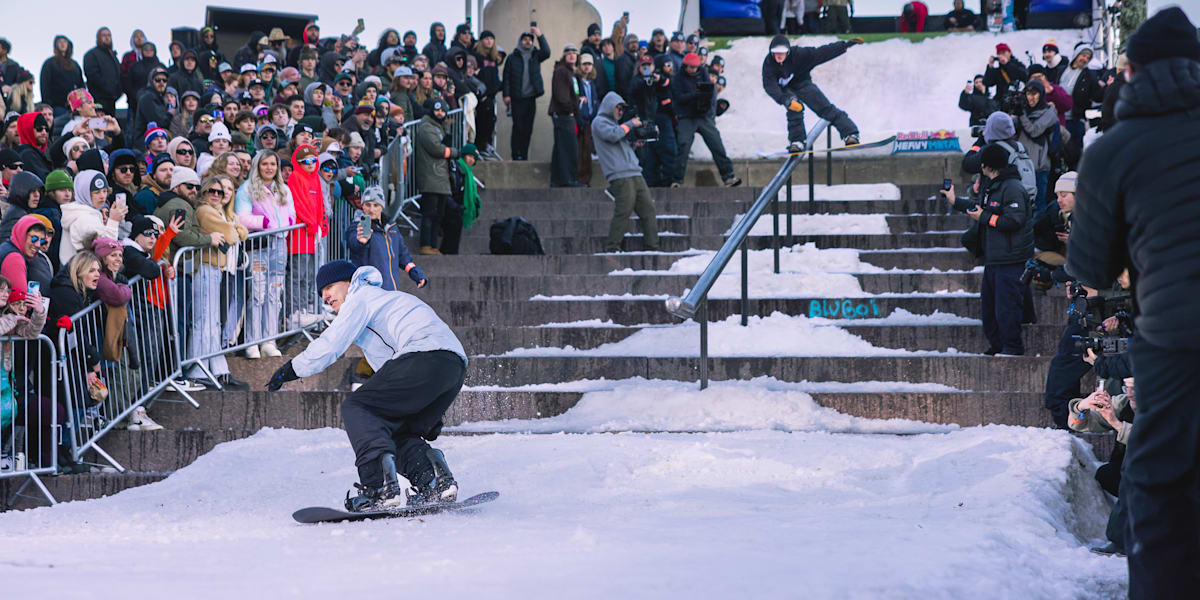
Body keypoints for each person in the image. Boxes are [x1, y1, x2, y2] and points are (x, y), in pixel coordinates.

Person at [1066, 9, 1200, 598]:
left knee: (1160, 479)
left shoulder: (1114, 148)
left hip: (1172, 337)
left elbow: (1090, 269)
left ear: (1131, 71)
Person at [267, 259, 467, 512]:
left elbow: (331, 344)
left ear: (349, 282)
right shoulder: (383, 301)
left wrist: (291, 369)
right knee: (392, 429)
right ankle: (434, 480)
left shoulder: (360, 298)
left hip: (423, 355)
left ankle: (378, 487)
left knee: (358, 408)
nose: (325, 296)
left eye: (329, 287)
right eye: (321, 293)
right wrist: (425, 402)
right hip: (451, 366)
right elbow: (391, 367)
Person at [948, 144, 1033, 355]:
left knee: (1007, 307)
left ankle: (1012, 347)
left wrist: (984, 217)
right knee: (989, 308)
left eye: (982, 163)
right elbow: (981, 209)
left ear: (988, 166)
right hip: (994, 258)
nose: (979, 166)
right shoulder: (993, 185)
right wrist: (955, 201)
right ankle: (997, 346)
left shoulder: (1012, 187)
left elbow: (1014, 220)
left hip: (1011, 259)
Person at [762, 36, 863, 154]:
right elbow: (770, 85)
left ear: (788, 52)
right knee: (794, 107)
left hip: (803, 84)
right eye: (776, 53)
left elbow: (821, 53)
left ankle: (850, 134)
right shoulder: (769, 63)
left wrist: (845, 45)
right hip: (786, 91)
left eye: (782, 53)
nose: (779, 56)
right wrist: (784, 100)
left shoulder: (799, 54)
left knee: (825, 108)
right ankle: (797, 142)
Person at [593, 92, 659, 253]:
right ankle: (612, 247)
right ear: (609, 106)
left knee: (648, 209)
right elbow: (613, 135)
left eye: (622, 109)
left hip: (634, 172)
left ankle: (653, 247)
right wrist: (630, 123)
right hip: (619, 174)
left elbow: (621, 144)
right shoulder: (599, 122)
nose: (621, 112)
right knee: (624, 210)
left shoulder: (618, 126)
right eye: (618, 108)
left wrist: (635, 144)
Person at [674, 53, 740, 187]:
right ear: (685, 66)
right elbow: (678, 97)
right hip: (686, 116)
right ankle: (676, 180)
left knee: (716, 144)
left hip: (703, 115)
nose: (693, 70)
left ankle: (728, 176)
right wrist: (694, 95)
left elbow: (709, 91)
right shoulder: (678, 78)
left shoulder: (703, 72)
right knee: (683, 147)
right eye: (691, 67)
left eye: (695, 67)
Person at [345, 186, 426, 290]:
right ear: (362, 206)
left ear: (382, 206)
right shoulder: (356, 227)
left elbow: (403, 256)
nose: (371, 209)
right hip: (369, 292)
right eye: (368, 204)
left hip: (392, 290)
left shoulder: (392, 228)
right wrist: (361, 242)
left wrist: (416, 273)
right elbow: (353, 244)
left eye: (376, 205)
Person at [286, 144, 327, 327]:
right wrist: (312, 224)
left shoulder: (315, 178)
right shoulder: (295, 177)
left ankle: (303, 309)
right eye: (305, 161)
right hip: (299, 236)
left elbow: (319, 204)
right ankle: (294, 312)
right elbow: (298, 204)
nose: (310, 164)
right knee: (297, 276)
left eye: (313, 160)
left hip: (312, 236)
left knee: (309, 276)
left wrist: (321, 225)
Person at [502, 27, 549, 161]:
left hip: (531, 98)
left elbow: (547, 52)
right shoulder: (512, 58)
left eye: (530, 40)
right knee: (518, 127)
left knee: (528, 129)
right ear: (520, 41)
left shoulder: (536, 55)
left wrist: (539, 35)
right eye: (525, 39)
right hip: (517, 98)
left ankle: (524, 155)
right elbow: (506, 77)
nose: (527, 42)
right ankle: (515, 155)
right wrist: (506, 95)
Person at [1014, 79, 1056, 221]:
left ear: (1041, 94)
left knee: (1039, 205)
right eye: (1028, 93)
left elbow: (1034, 131)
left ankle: (1039, 232)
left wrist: (1021, 115)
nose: (1031, 97)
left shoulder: (1049, 112)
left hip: (1039, 165)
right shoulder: (1024, 110)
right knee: (1021, 204)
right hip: (1021, 164)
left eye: (1034, 93)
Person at [61, 170, 124, 266]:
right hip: (80, 271)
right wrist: (113, 221)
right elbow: (106, 250)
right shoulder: (84, 218)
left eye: (105, 191)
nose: (102, 196)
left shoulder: (86, 212)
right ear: (84, 193)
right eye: (96, 192)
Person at [548, 45, 582, 188]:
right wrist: (571, 109)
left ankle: (558, 180)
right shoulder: (562, 71)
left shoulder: (570, 72)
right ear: (564, 56)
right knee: (568, 148)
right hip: (564, 114)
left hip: (565, 114)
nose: (572, 55)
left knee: (561, 147)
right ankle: (567, 179)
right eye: (569, 53)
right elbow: (561, 96)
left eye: (574, 53)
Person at [39, 36, 84, 114]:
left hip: (75, 107)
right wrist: (48, 106)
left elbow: (81, 86)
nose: (62, 44)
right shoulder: (49, 63)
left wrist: (82, 102)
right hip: (57, 106)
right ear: (56, 45)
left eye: (65, 42)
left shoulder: (75, 65)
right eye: (60, 42)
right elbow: (45, 86)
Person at [83, 28, 122, 116]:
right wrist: (108, 89)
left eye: (109, 35)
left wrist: (118, 92)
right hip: (98, 99)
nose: (107, 38)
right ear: (98, 38)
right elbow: (93, 76)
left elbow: (119, 75)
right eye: (104, 35)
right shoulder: (91, 55)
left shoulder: (113, 56)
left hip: (112, 100)